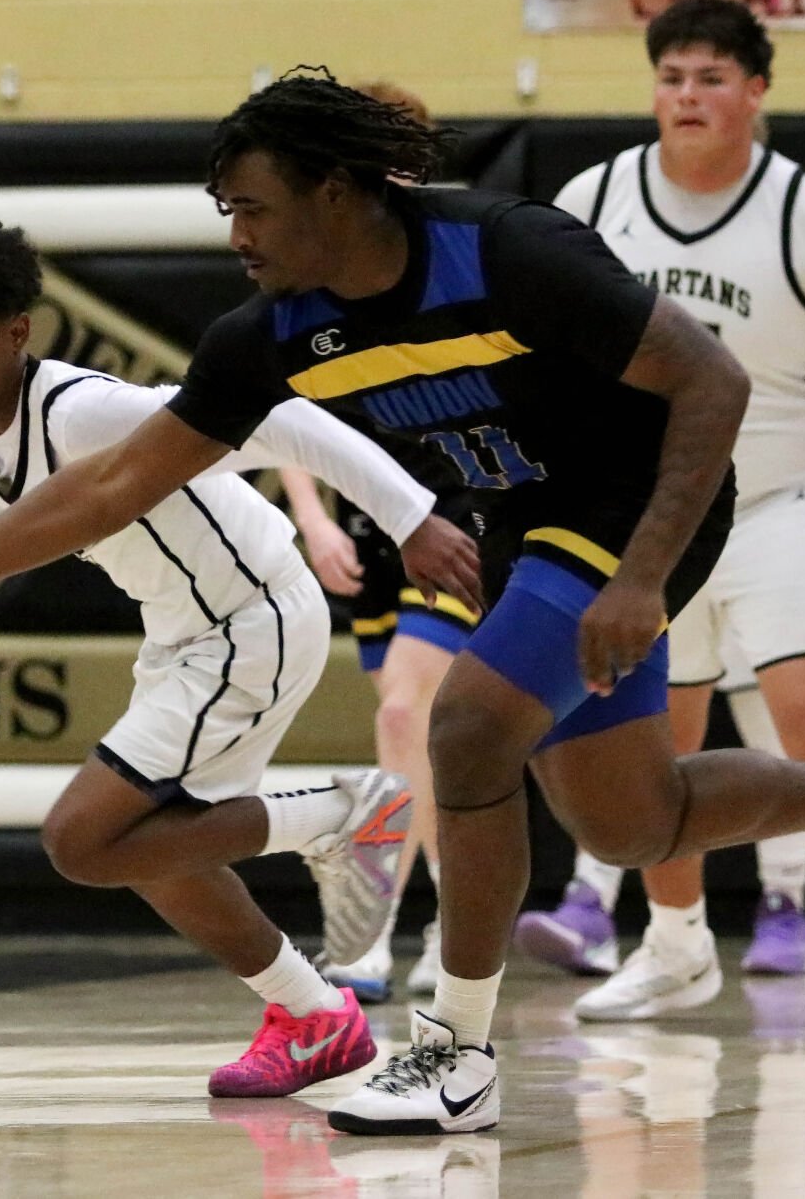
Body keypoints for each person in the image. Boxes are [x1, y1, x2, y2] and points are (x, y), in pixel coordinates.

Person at [0, 73, 805, 1137]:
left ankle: (454, 1052)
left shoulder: (506, 249)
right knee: (629, 822)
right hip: (525, 523)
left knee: (461, 728)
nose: (235, 236)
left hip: (639, 501)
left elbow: (710, 378)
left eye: (252, 208)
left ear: (337, 193)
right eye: (224, 213)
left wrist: (643, 575)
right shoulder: (263, 333)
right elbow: (110, 484)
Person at [0, 214, 478, 1101]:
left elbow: (283, 418)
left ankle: (339, 812)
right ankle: (313, 1018)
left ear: (18, 332)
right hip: (186, 637)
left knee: (82, 837)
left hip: (253, 618)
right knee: (148, 850)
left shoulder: (83, 409)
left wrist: (410, 517)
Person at [512, 0, 805, 1032]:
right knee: (652, 746)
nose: (686, 96)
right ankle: (674, 946)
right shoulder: (594, 197)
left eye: (709, 78)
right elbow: (540, 355)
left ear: (754, 92)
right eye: (670, 77)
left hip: (779, 502)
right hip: (646, 517)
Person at [516, 349, 805, 983]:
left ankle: (784, 904)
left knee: (781, 728)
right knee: (642, 726)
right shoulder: (624, 265)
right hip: (677, 527)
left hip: (770, 524)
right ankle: (599, 905)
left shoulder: (787, 274)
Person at [281, 80, 477, 1004]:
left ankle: (368, 931)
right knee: (420, 741)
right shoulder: (310, 278)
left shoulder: (459, 261)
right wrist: (313, 518)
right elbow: (278, 412)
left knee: (405, 719)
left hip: (451, 520)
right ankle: (454, 918)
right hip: (366, 529)